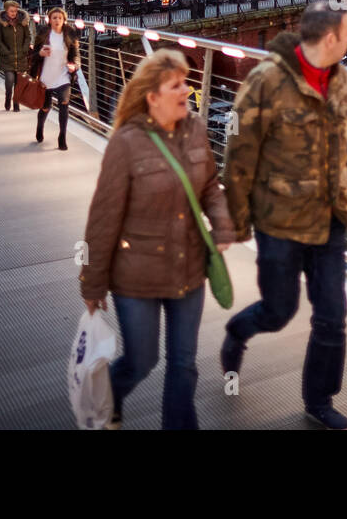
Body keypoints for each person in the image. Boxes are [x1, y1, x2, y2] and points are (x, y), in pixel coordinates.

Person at [220, 0, 347, 429]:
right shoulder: (266, 81)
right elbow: (239, 153)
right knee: (278, 311)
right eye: (346, 33)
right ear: (329, 38)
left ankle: (318, 400)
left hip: (329, 220)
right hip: (279, 221)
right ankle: (237, 333)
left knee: (331, 316)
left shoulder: (341, 81)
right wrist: (238, 218)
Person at [80, 49, 236, 430]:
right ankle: (108, 396)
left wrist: (222, 223)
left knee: (184, 364)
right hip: (137, 275)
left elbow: (211, 188)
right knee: (141, 359)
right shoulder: (127, 143)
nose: (187, 91)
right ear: (152, 96)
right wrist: (92, 282)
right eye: (176, 85)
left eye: (186, 82)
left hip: (189, 267)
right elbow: (103, 217)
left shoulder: (196, 128)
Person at [30, 6, 80, 150]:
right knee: (46, 107)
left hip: (63, 76)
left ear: (64, 20)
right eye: (54, 18)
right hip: (45, 77)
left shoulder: (69, 35)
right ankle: (40, 127)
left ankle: (62, 137)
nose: (57, 20)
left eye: (60, 18)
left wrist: (74, 66)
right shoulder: (43, 35)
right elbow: (33, 56)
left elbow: (76, 56)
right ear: (49, 20)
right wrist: (40, 54)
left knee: (64, 104)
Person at [0, 0, 33, 112]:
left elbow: (28, 37)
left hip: (20, 56)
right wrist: (4, 50)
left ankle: (16, 103)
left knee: (19, 83)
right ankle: (8, 97)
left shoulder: (22, 22)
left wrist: (25, 48)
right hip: (7, 57)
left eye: (15, 11)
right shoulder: (1, 24)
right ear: (6, 11)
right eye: (11, 11)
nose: (14, 13)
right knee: (10, 80)